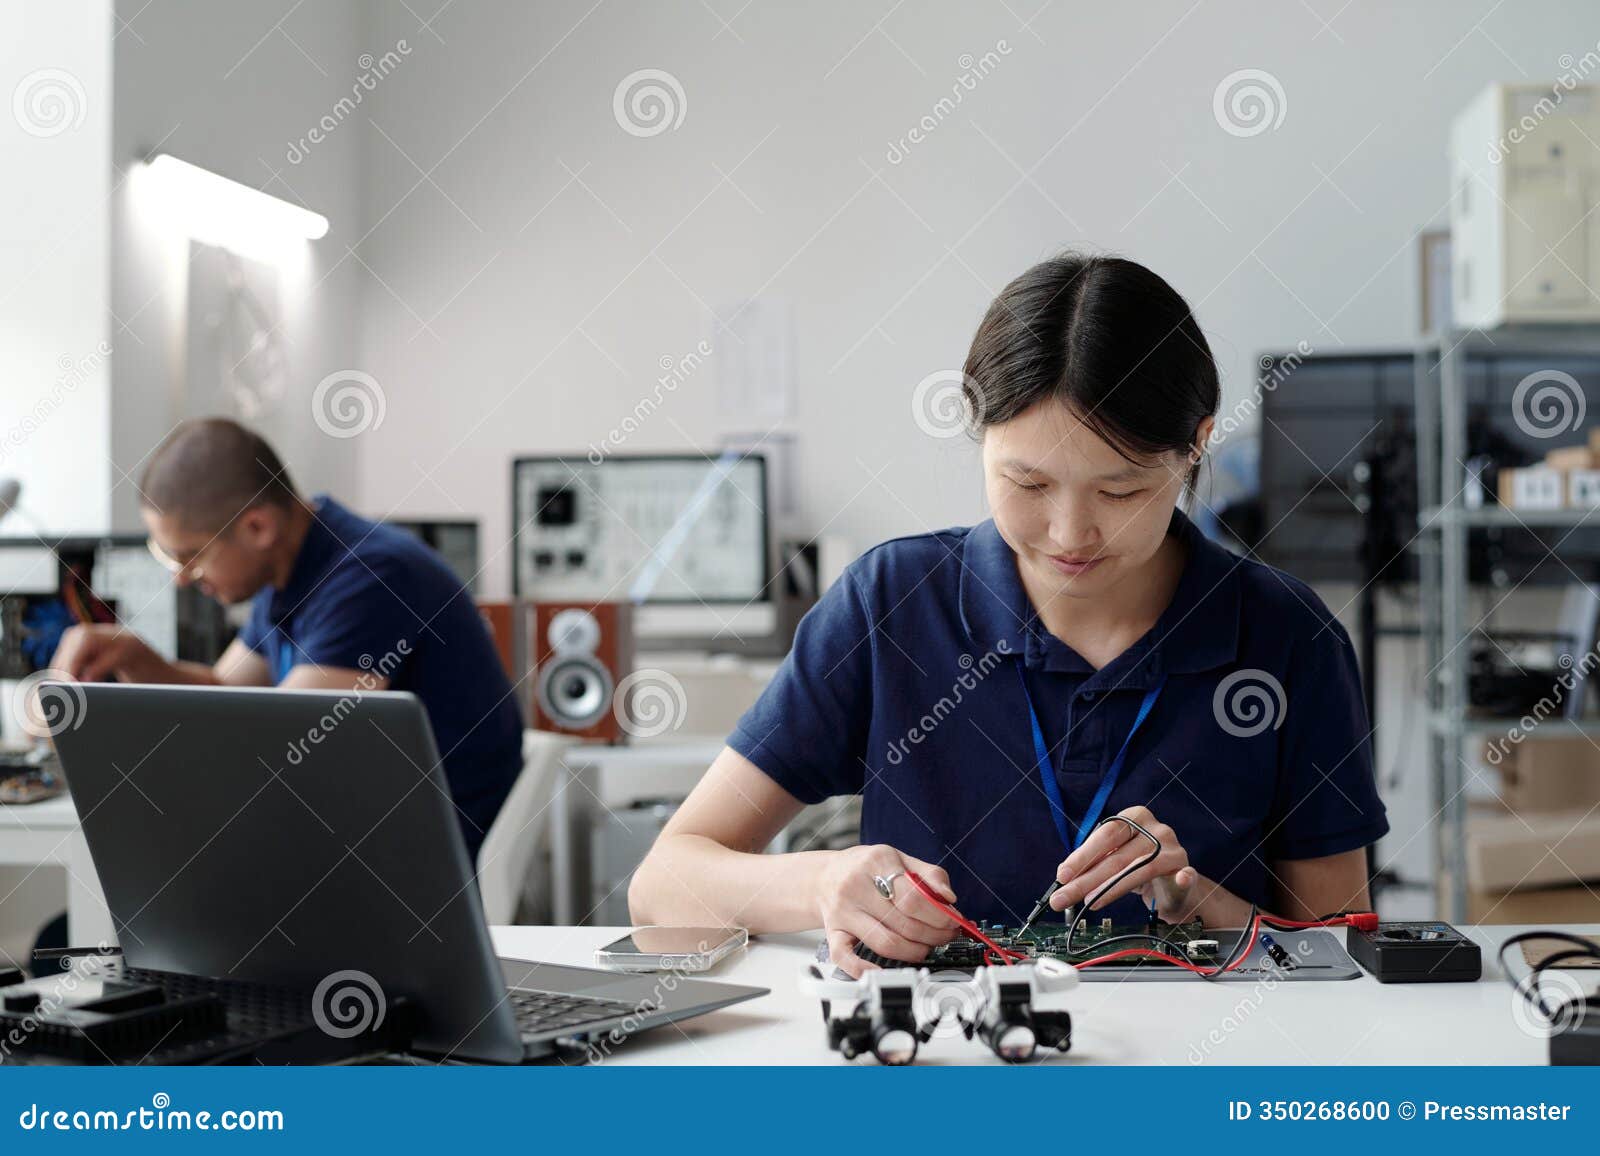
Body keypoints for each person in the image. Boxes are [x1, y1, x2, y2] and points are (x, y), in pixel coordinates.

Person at [629, 253, 1389, 976]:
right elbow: (662, 888)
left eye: (1120, 492)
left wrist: (1193, 900)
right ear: (977, 430)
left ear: (1195, 446)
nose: (1070, 534)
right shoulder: (892, 602)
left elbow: (1339, 951)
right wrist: (823, 884)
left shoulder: (1288, 635)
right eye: (1027, 483)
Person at [50, 418, 522, 860]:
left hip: (418, 852)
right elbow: (225, 691)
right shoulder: (292, 569)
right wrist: (132, 655)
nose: (183, 578)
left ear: (258, 527)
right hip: (359, 828)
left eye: (191, 556)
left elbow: (286, 754)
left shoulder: (371, 579)